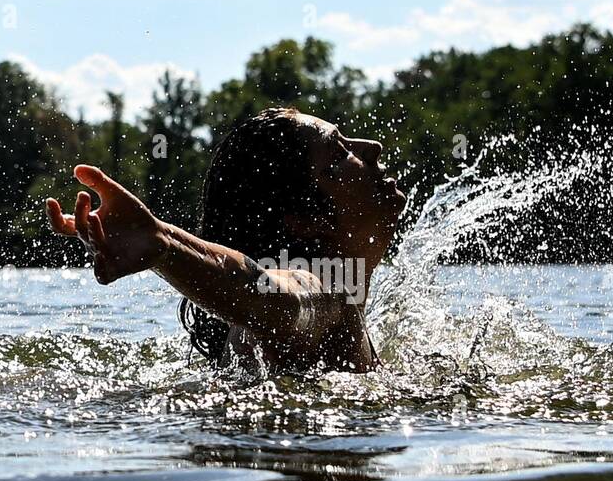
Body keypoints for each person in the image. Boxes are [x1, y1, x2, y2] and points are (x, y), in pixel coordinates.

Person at [46, 107, 406, 372]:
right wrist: (164, 243)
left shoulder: (344, 289)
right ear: (306, 221)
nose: (372, 147)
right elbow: (273, 296)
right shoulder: (325, 289)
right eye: (340, 153)